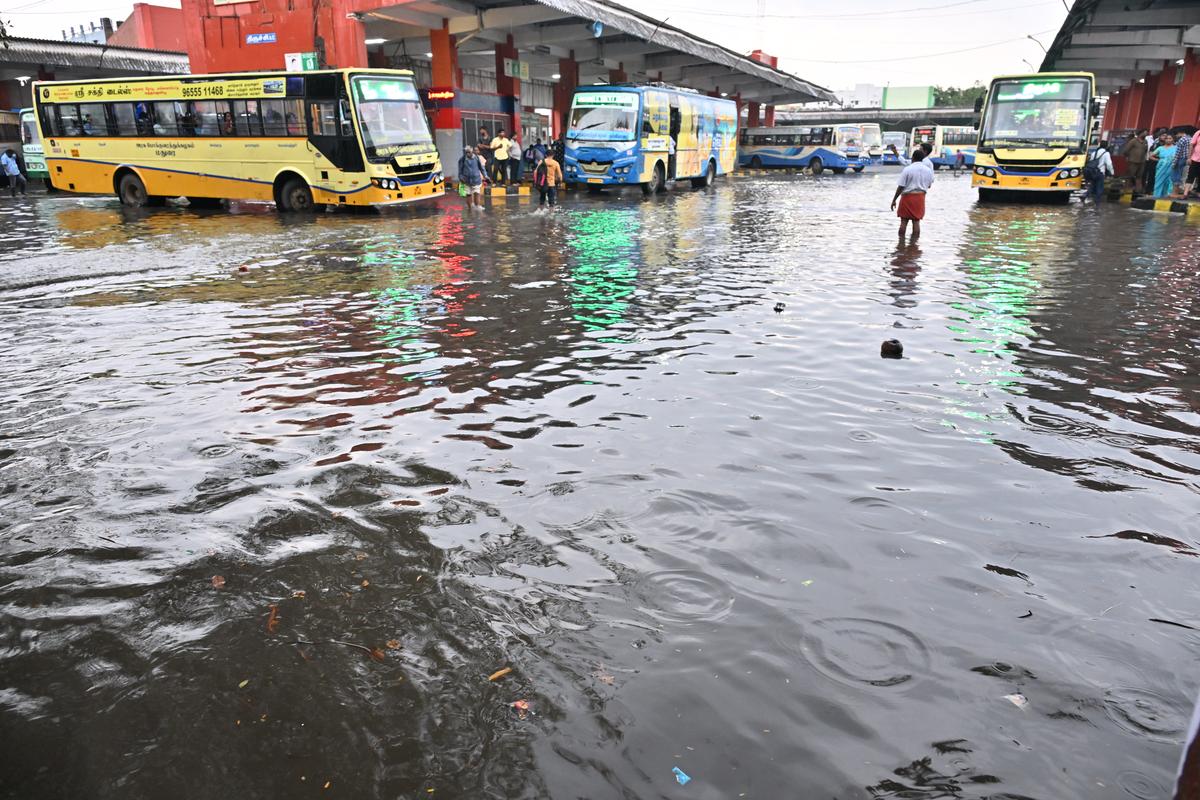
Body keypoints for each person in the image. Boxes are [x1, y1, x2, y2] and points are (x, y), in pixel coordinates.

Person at [891, 149, 933, 239]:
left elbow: (901, 186)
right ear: (922, 159)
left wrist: (894, 200)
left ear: (913, 158)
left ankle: (900, 243)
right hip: (920, 198)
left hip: (907, 197)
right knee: (916, 221)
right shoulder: (928, 170)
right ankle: (914, 245)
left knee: (903, 222)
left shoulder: (908, 169)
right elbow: (929, 185)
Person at [1084, 139, 1113, 204]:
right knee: (1099, 188)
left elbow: (1090, 162)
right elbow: (1109, 164)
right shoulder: (1106, 153)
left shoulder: (1094, 153)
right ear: (1107, 146)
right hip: (1100, 173)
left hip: (1092, 172)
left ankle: (1087, 198)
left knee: (1092, 186)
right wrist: (1112, 172)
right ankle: (1097, 203)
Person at [457, 145, 485, 210]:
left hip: (476, 179)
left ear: (472, 151)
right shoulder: (463, 159)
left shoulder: (477, 158)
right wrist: (460, 177)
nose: (468, 154)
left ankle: (477, 206)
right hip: (466, 180)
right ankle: (470, 208)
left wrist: (485, 176)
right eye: (466, 152)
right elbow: (460, 170)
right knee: (468, 194)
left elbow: (481, 168)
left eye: (469, 152)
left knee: (477, 193)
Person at [1171, 126, 1193, 193]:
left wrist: (1174, 163)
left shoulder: (1182, 139)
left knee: (1176, 175)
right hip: (1188, 159)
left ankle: (1175, 192)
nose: (1177, 136)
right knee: (1184, 175)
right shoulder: (1190, 138)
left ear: (1180, 133)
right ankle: (1181, 191)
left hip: (1181, 159)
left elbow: (1178, 152)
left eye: (1177, 134)